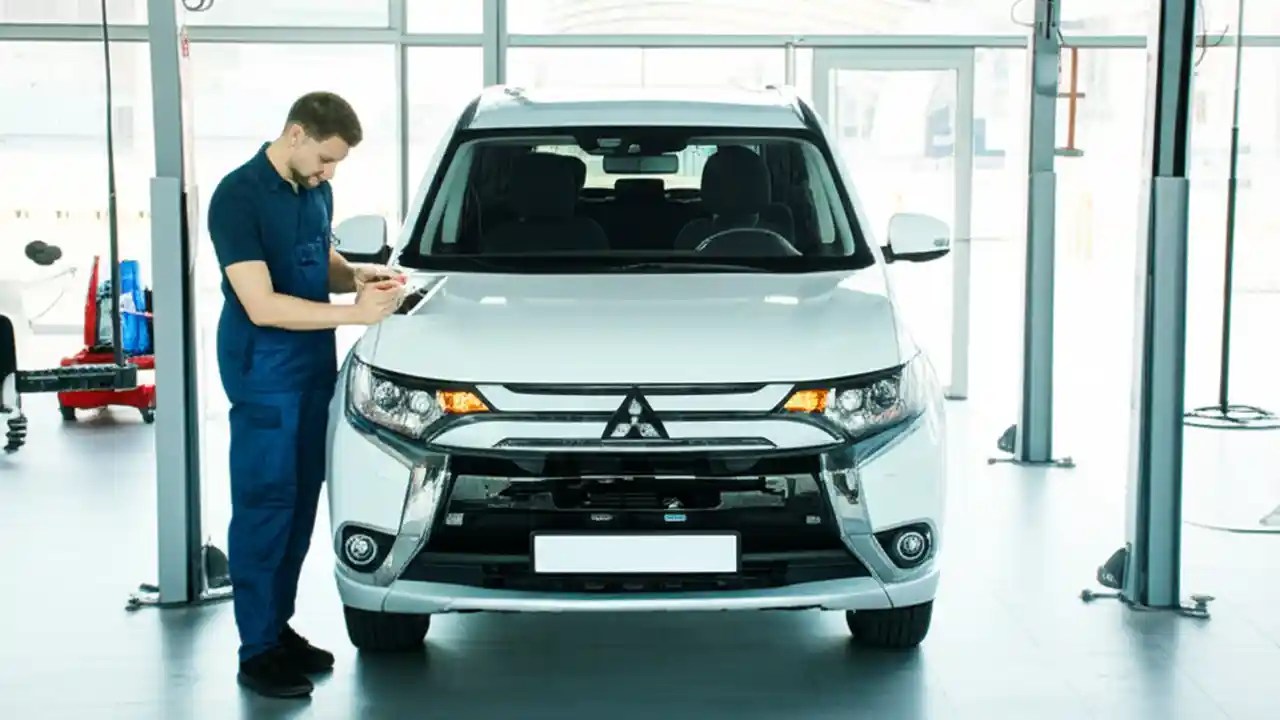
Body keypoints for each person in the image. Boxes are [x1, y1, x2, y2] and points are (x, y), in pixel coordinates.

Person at [207, 91, 404, 699]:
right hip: (264, 371)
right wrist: (355, 315)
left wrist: (358, 276)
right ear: (295, 134)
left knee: (298, 510)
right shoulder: (237, 197)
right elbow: (261, 304)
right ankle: (256, 650)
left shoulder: (314, 188)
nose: (329, 172)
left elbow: (318, 261)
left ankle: (277, 628)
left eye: (336, 164)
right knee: (267, 506)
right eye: (324, 158)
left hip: (311, 365)